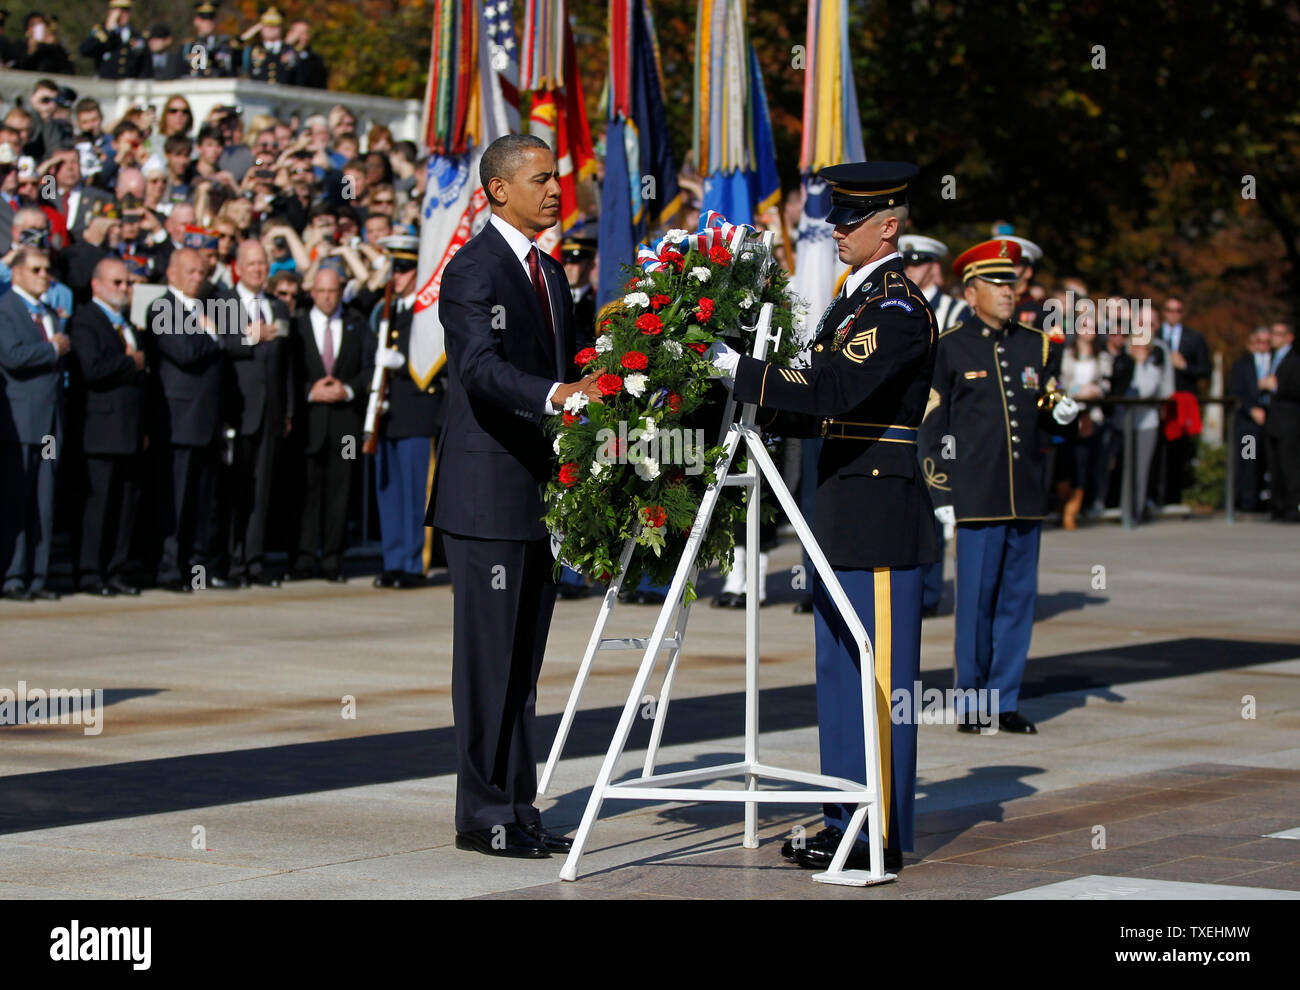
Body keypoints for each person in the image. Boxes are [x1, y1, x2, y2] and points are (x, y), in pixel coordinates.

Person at [709, 161, 937, 875]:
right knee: (839, 681)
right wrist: (732, 396)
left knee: (877, 683)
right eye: (835, 220)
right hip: (840, 507)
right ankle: (846, 818)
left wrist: (741, 372)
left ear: (888, 226)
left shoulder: (896, 309)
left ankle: (880, 832)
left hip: (878, 514)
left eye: (849, 221)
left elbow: (834, 386)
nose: (835, 231)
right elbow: (811, 401)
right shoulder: (855, 301)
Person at [427, 133, 599, 859]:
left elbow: (569, 364)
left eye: (556, 177)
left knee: (523, 669)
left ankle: (519, 806)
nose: (556, 190)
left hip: (536, 495)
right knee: (488, 665)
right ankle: (483, 814)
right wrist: (560, 394)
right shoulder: (473, 270)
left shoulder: (549, 272)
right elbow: (479, 368)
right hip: (486, 497)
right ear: (498, 190)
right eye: (539, 179)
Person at [920, 238, 1080, 736]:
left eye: (1012, 282)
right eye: (996, 283)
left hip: (1025, 496)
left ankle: (1004, 699)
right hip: (975, 498)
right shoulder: (949, 347)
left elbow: (1044, 419)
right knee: (975, 605)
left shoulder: (1036, 344)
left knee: (1017, 603)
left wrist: (1062, 418)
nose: (1009, 292)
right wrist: (942, 494)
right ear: (970, 293)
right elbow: (933, 427)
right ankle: (971, 702)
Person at [69, 256, 147, 595]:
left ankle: (116, 569)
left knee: (124, 506)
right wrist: (129, 362)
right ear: (96, 284)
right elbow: (92, 369)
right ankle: (90, 572)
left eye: (128, 283)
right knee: (97, 506)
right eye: (117, 283)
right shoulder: (86, 320)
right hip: (100, 430)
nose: (124, 289)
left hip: (129, 428)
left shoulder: (130, 322)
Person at [289, 265, 372, 581]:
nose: (327, 298)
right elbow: (286, 372)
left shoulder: (356, 323)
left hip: (344, 425)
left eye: (332, 292)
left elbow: (369, 368)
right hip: (308, 424)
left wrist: (348, 389)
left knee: (341, 494)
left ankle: (333, 559)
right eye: (321, 292)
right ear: (312, 292)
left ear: (340, 292)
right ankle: (304, 557)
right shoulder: (297, 324)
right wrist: (309, 391)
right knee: (305, 493)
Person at [150, 248, 226, 592]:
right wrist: (212, 335)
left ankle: (198, 569)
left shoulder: (206, 308)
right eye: (191, 271)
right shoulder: (163, 307)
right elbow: (183, 352)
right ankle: (169, 570)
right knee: (175, 502)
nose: (198, 277)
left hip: (207, 420)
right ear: (172, 273)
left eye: (201, 272)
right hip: (179, 420)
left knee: (203, 502)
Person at [219, 239, 293, 585]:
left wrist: (287, 409)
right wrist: (252, 336)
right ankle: (232, 561)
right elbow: (223, 345)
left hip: (271, 412)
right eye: (251, 264)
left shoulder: (278, 307)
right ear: (238, 267)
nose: (259, 270)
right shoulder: (224, 302)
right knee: (236, 490)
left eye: (263, 264)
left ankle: (254, 559)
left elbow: (287, 365)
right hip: (238, 411)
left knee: (262, 490)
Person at [370, 235, 442, 589]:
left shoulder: (428, 313)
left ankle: (415, 563)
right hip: (388, 414)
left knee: (416, 493)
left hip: (417, 411)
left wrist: (403, 364)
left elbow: (442, 361)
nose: (395, 277)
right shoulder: (389, 310)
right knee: (391, 492)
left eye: (403, 269)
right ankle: (394, 559)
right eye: (393, 269)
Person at [0, 247, 69, 601]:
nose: (45, 275)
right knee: (17, 498)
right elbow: (10, 356)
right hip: (23, 419)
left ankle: (37, 576)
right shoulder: (7, 308)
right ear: (17, 274)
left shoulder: (47, 312)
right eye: (37, 269)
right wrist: (52, 350)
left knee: (43, 500)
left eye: (47, 269)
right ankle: (12, 574)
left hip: (50, 421)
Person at [1154, 295, 1211, 505]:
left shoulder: (1194, 337)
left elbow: (1206, 370)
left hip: (1182, 401)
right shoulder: (1154, 334)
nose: (1173, 314)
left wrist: (1185, 366)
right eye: (1169, 309)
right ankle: (1153, 497)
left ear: (1182, 313)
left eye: (1177, 310)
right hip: (1157, 399)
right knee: (1155, 450)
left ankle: (1173, 498)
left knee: (1178, 451)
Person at [1226, 326, 1273, 513]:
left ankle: (1269, 497)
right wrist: (1251, 408)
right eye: (1258, 341)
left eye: (1266, 342)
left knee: (1268, 460)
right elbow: (1235, 392)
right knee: (1248, 459)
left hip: (1272, 420)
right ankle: (1247, 500)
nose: (1262, 346)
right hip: (1248, 423)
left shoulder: (1276, 364)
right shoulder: (1242, 365)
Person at [1261, 321, 1299, 522]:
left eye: (1278, 333)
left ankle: (1293, 508)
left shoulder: (1294, 360)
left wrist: (1276, 387)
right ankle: (1278, 506)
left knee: (1289, 466)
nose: (1272, 337)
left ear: (1288, 337)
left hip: (1289, 421)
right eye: (1272, 332)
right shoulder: (1270, 357)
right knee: (1274, 465)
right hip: (1272, 420)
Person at [80, 0, 147, 80]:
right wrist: (108, 31)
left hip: (129, 85)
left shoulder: (137, 36)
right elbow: (84, 51)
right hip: (105, 83)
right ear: (110, 12)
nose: (121, 15)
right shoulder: (102, 33)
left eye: (125, 11)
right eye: (117, 11)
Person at [181, 2, 238, 78]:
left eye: (211, 18)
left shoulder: (224, 44)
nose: (208, 22)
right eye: (204, 19)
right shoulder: (188, 46)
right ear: (196, 21)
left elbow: (228, 69)